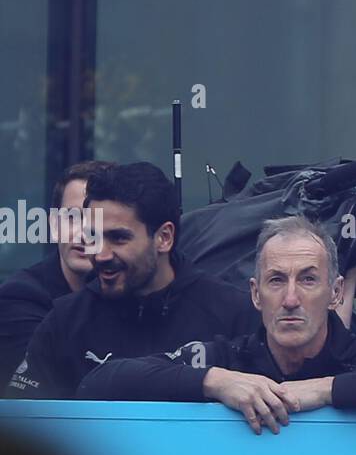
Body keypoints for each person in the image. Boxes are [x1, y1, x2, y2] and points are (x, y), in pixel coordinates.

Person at [78, 216, 356, 432]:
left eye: (307, 279)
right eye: (276, 280)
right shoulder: (226, 357)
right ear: (255, 294)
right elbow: (100, 384)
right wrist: (215, 382)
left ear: (336, 293)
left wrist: (324, 390)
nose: (290, 299)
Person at [6, 162, 259, 398]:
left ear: (164, 237)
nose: (100, 254)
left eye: (118, 238)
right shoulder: (65, 321)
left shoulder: (232, 313)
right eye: (92, 236)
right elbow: (25, 420)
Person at [0, 160, 114, 380]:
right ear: (53, 225)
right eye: (72, 217)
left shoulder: (133, 291)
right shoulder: (19, 297)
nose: (83, 233)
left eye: (97, 219)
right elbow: (58, 385)